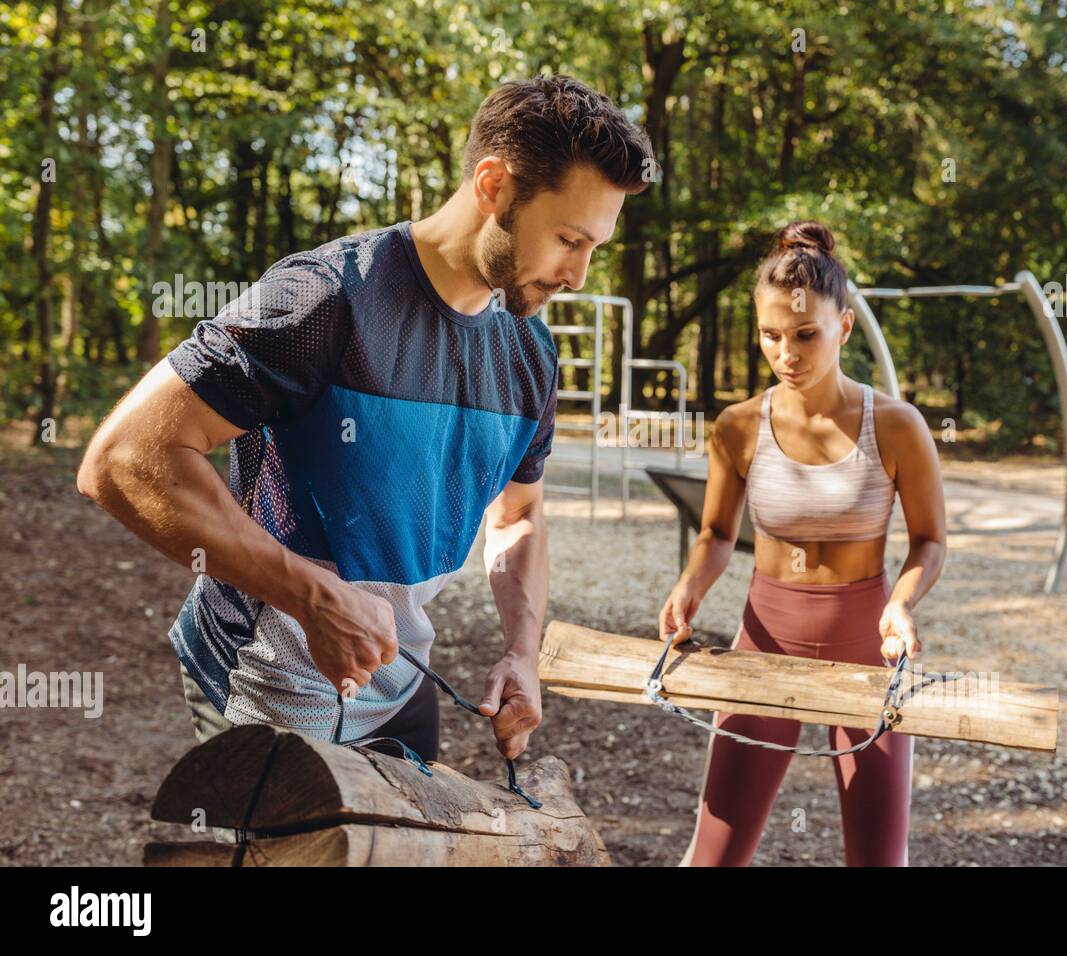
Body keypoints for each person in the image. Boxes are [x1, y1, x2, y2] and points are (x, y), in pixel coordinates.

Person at [76, 75, 655, 774]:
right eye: (568, 238)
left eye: (594, 245)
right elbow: (124, 459)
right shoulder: (323, 297)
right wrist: (316, 600)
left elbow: (521, 511)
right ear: (494, 186)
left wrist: (521, 653)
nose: (580, 274)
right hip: (273, 681)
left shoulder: (531, 352)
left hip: (406, 684)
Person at [657, 220, 947, 867]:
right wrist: (689, 587)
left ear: (843, 326)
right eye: (770, 336)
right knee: (713, 857)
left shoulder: (897, 426)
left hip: (867, 651)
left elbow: (929, 540)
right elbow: (715, 534)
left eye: (806, 334)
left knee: (878, 859)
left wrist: (902, 603)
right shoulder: (736, 427)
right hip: (765, 644)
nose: (787, 353)